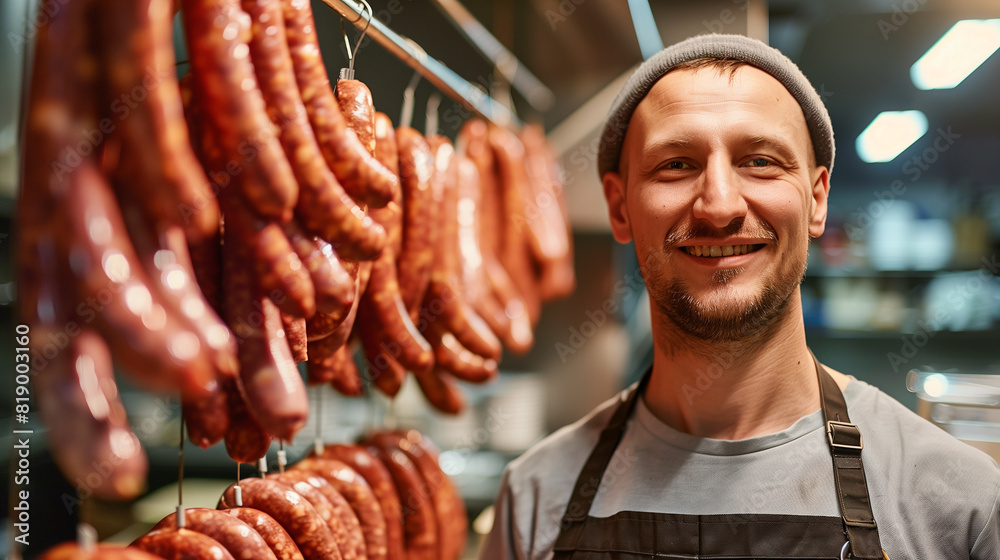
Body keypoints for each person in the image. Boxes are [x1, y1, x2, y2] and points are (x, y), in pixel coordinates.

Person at [480, 34, 1000, 560]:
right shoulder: (535, 497)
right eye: (676, 165)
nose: (719, 205)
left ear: (817, 200)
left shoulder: (960, 506)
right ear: (619, 208)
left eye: (760, 161)